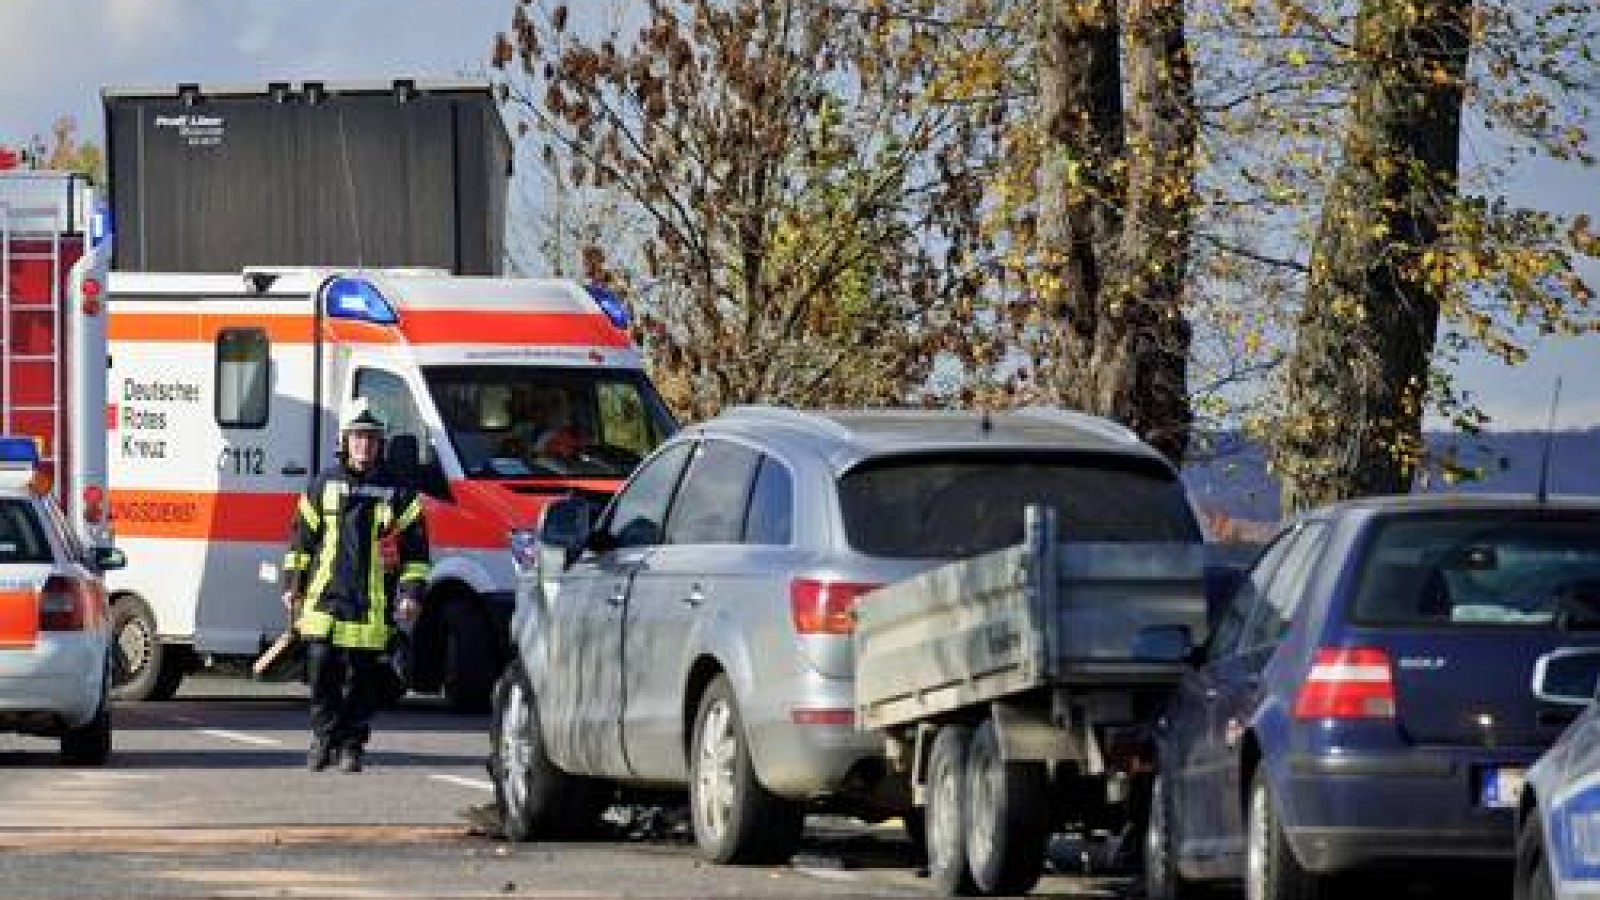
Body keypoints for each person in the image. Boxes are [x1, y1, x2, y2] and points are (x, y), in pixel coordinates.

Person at [280, 401, 430, 773]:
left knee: (363, 679)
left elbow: (416, 553)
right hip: (324, 599)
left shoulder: (399, 492)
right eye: (358, 437)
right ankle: (324, 737)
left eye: (372, 439)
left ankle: (351, 744)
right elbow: (301, 540)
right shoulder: (323, 484)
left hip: (371, 604)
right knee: (321, 668)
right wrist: (292, 585)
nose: (365, 445)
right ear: (344, 441)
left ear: (380, 444)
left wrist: (411, 594)